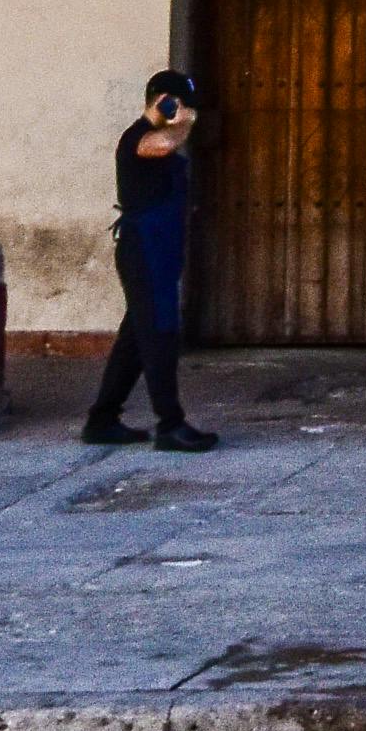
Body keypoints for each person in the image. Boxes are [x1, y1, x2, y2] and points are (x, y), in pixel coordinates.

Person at [82, 68, 217, 453]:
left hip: (160, 252)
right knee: (159, 334)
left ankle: (102, 419)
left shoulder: (164, 138)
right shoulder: (137, 137)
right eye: (178, 102)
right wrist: (181, 121)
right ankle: (170, 424)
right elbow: (161, 145)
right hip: (143, 250)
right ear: (161, 100)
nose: (186, 111)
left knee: (136, 339)